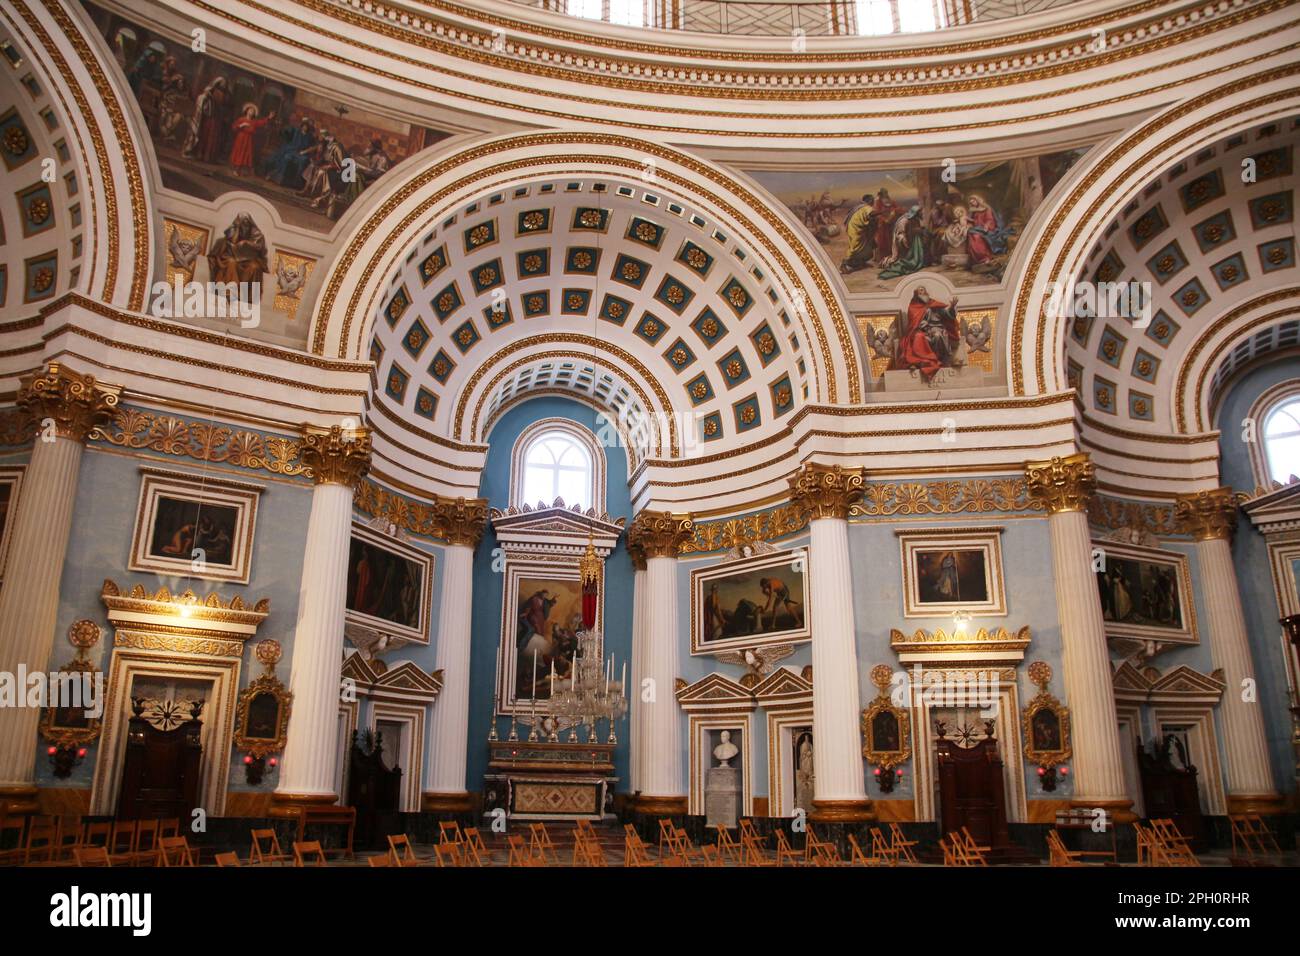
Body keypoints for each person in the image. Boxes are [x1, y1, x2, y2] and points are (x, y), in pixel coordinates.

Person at [892, 286, 960, 380]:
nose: (922, 293)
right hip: (923, 331)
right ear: (916, 295)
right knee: (918, 337)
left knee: (937, 335)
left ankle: (939, 359)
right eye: (919, 292)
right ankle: (922, 361)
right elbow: (914, 324)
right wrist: (925, 328)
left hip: (938, 329)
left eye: (923, 291)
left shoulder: (935, 304)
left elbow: (948, 316)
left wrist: (952, 307)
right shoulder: (913, 307)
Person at [182, 76, 231, 163]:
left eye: (225, 83)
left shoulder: (225, 95)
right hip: (208, 118)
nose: (224, 85)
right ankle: (199, 154)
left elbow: (223, 105)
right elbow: (203, 104)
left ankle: (208, 157)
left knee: (212, 139)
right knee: (203, 136)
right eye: (222, 83)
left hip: (216, 119)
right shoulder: (210, 92)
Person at [229, 104, 276, 176]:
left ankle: (239, 170)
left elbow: (262, 122)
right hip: (241, 139)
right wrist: (241, 125)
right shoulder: (241, 119)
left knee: (245, 154)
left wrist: (269, 117)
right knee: (239, 152)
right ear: (247, 111)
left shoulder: (254, 122)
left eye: (253, 111)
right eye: (250, 110)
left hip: (248, 140)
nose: (251, 112)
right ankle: (235, 169)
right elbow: (234, 127)